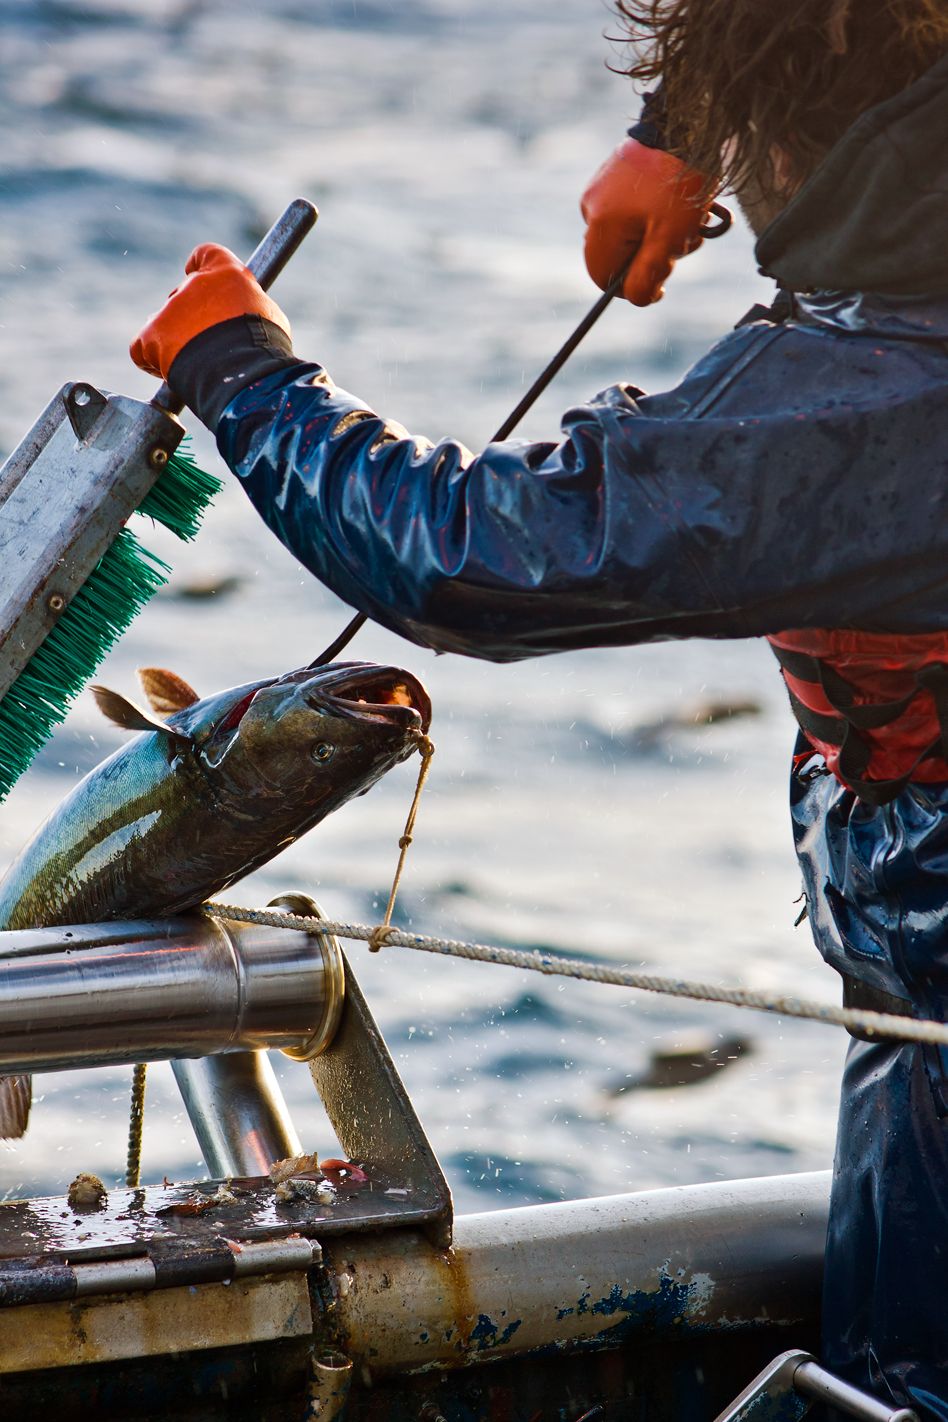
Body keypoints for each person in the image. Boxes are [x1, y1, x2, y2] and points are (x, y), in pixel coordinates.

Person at [130, 2, 948, 1412]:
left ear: (804, 134)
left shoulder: (879, 396)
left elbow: (477, 553)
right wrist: (684, 130)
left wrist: (245, 374)